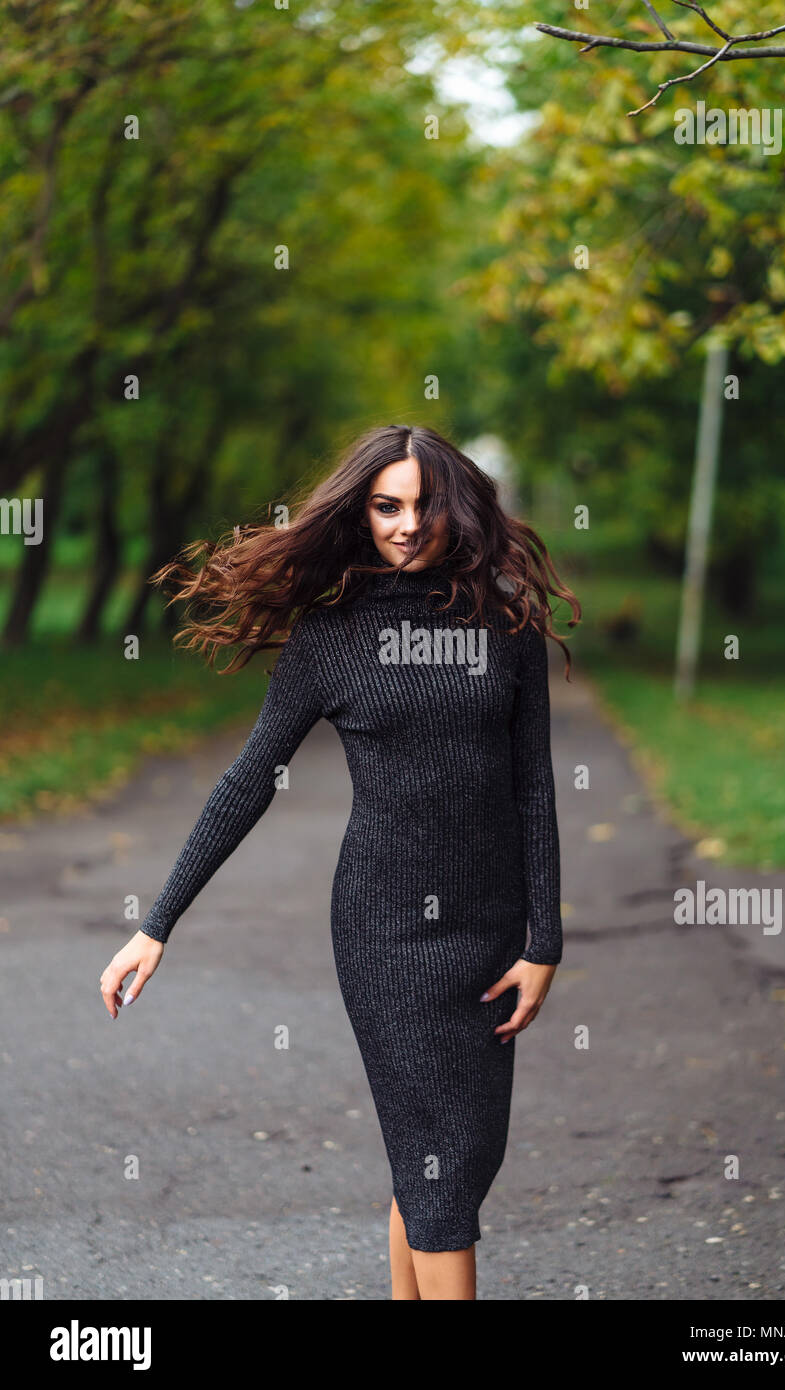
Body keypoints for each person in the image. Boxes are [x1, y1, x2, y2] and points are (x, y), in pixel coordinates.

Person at [99, 423, 580, 1300]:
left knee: (455, 1160)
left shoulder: (504, 622)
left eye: (424, 506)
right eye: (386, 506)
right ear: (360, 513)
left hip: (489, 927)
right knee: (440, 1174)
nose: (406, 524)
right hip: (385, 933)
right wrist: (155, 923)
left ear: (456, 508)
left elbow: (533, 788)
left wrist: (543, 940)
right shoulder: (330, 639)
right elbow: (248, 781)